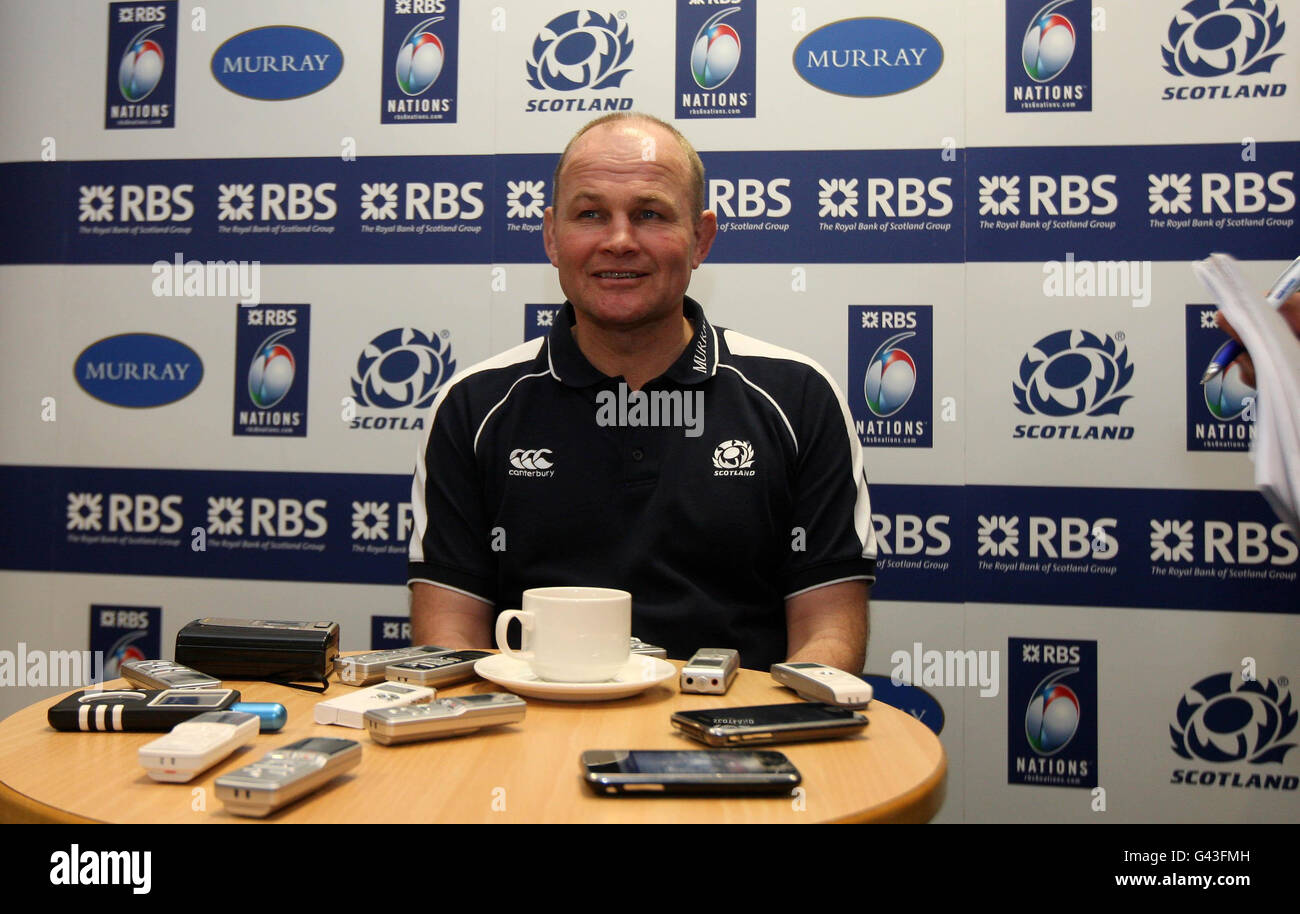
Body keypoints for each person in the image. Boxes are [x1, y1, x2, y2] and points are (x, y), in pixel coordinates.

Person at [407, 112, 877, 672]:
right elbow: (448, 639)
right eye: (590, 214)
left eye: (650, 214)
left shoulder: (799, 397)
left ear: (701, 238)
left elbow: (829, 635)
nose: (619, 241)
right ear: (552, 237)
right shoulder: (473, 406)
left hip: (731, 724)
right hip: (534, 723)